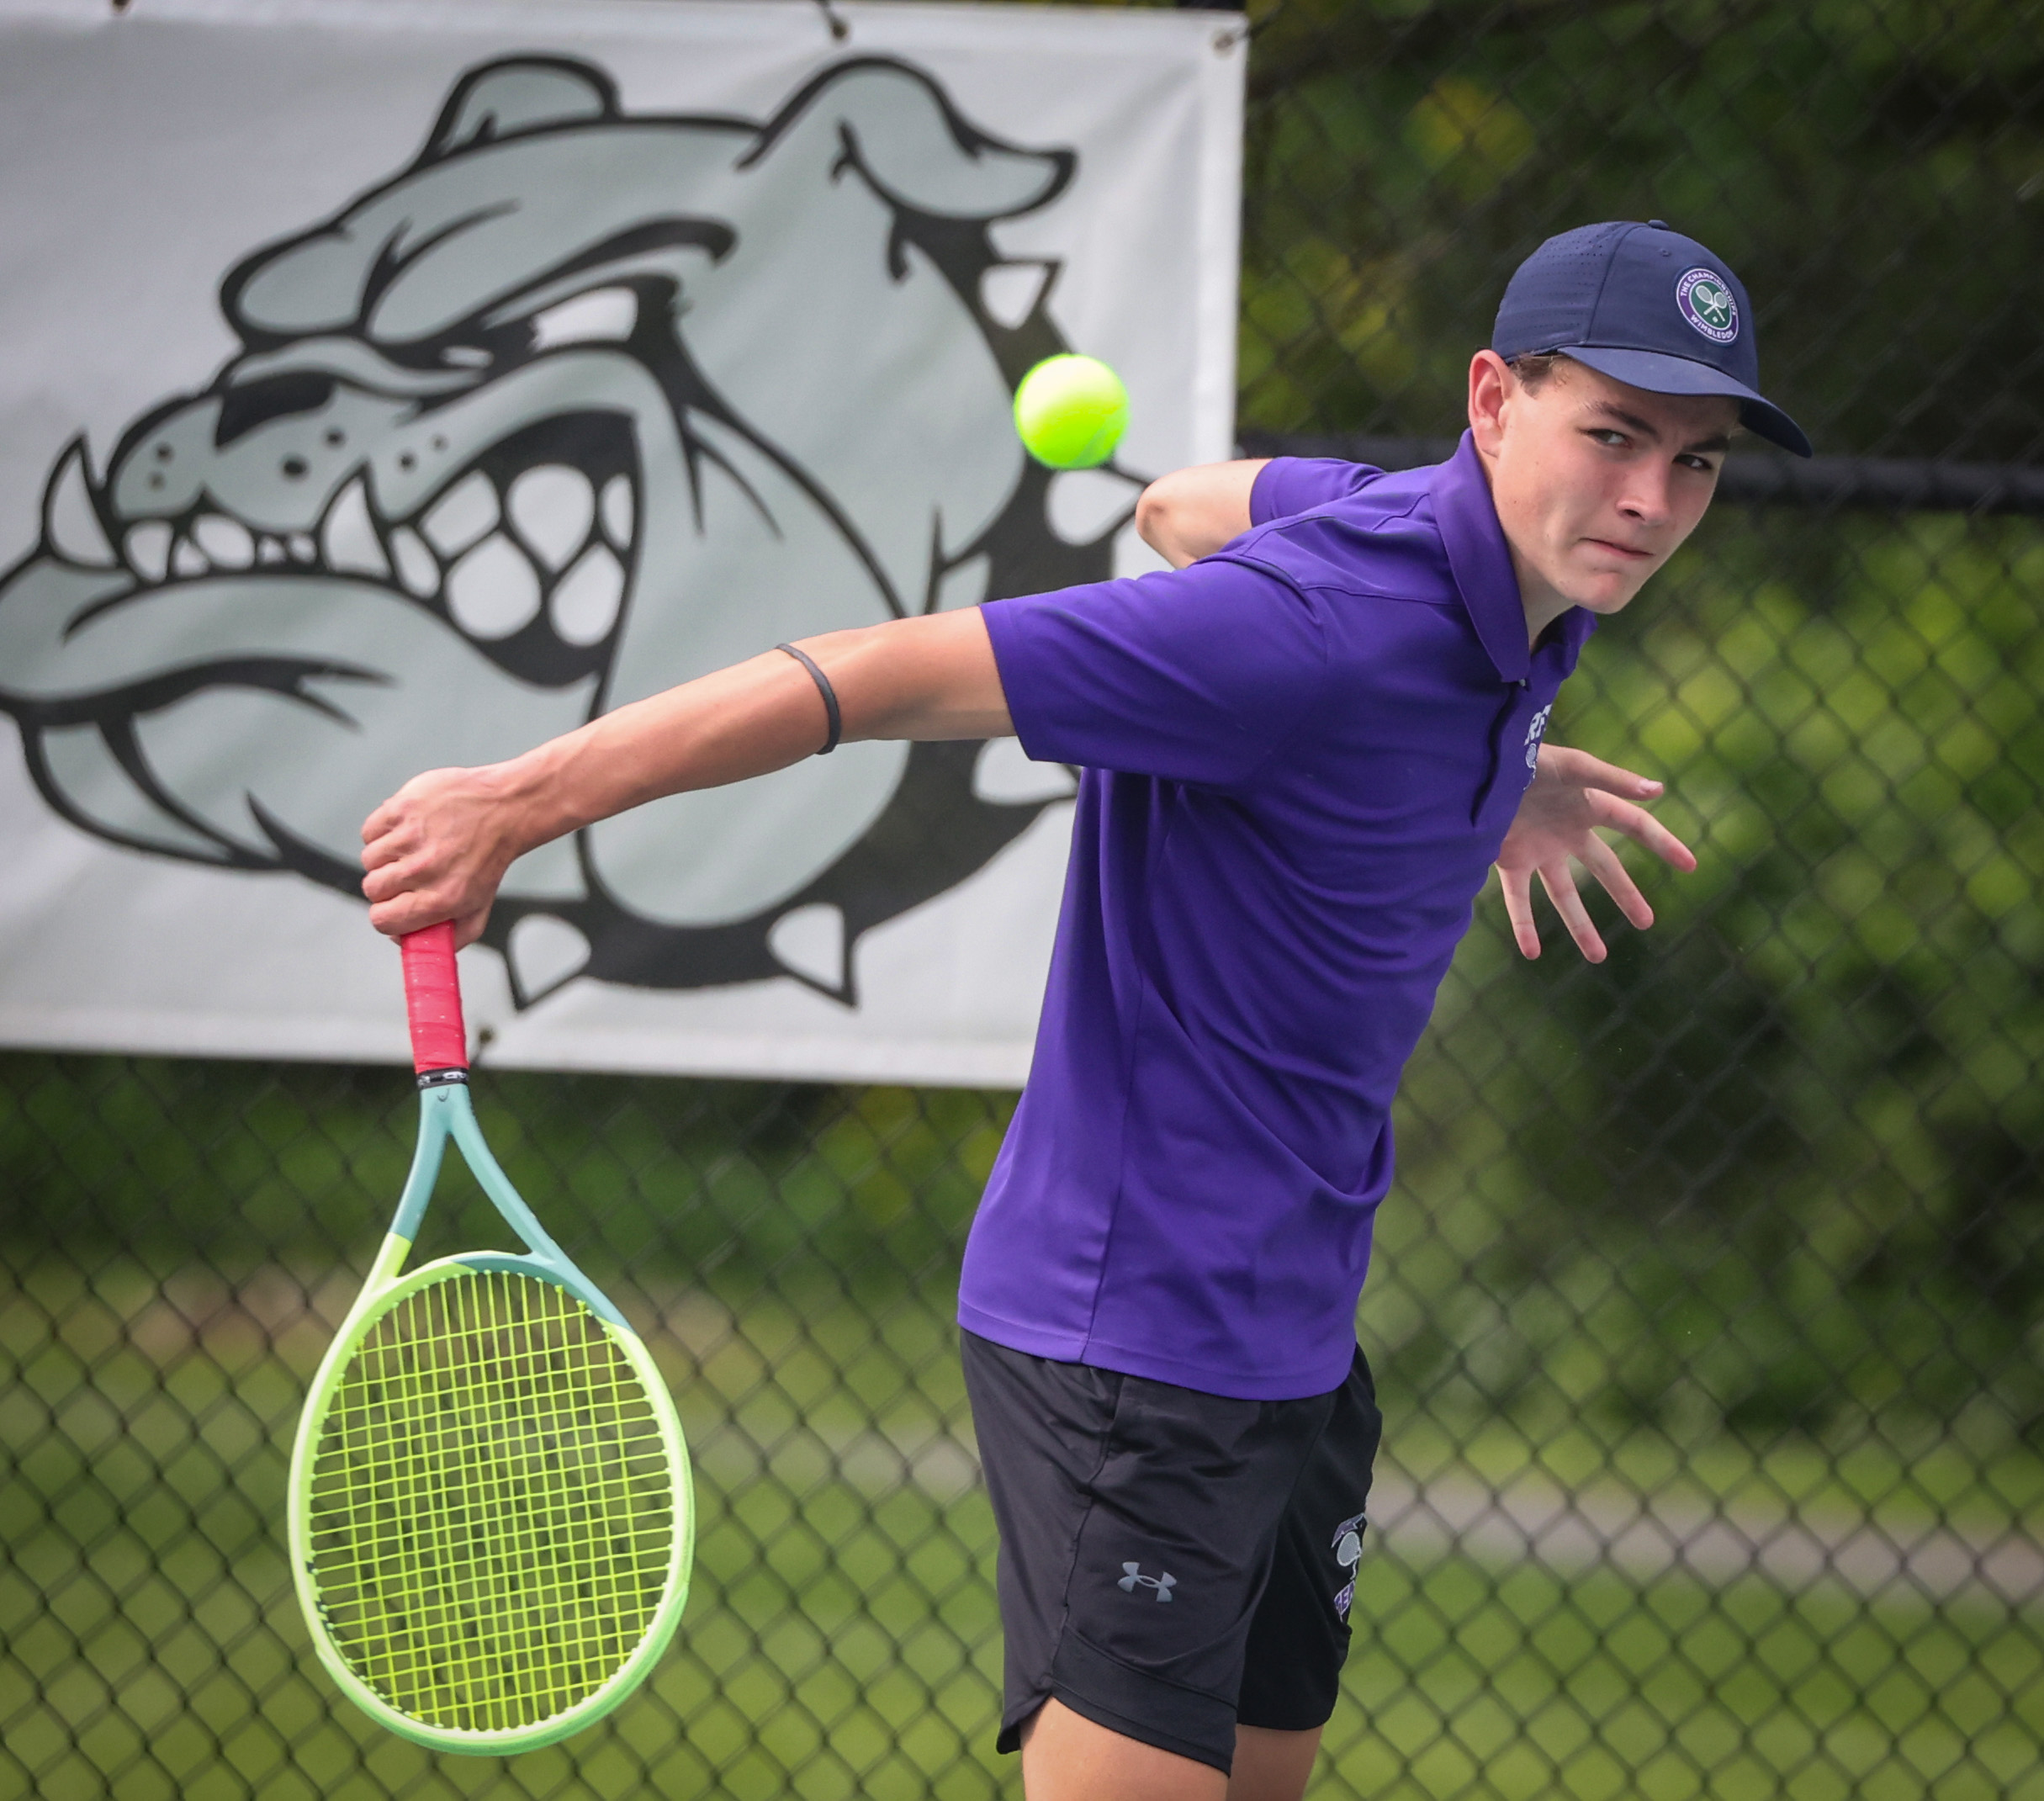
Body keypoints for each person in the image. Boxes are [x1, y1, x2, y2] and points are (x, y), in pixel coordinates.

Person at [360, 220, 1809, 1801]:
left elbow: (1182, 502)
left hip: (1296, 1334)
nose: (1652, 503)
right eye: (1611, 436)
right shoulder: (1301, 629)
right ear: (1488, 401)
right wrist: (520, 797)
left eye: (1697, 462)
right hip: (1134, 1335)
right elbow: (872, 673)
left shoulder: (1518, 580)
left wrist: (1498, 774)